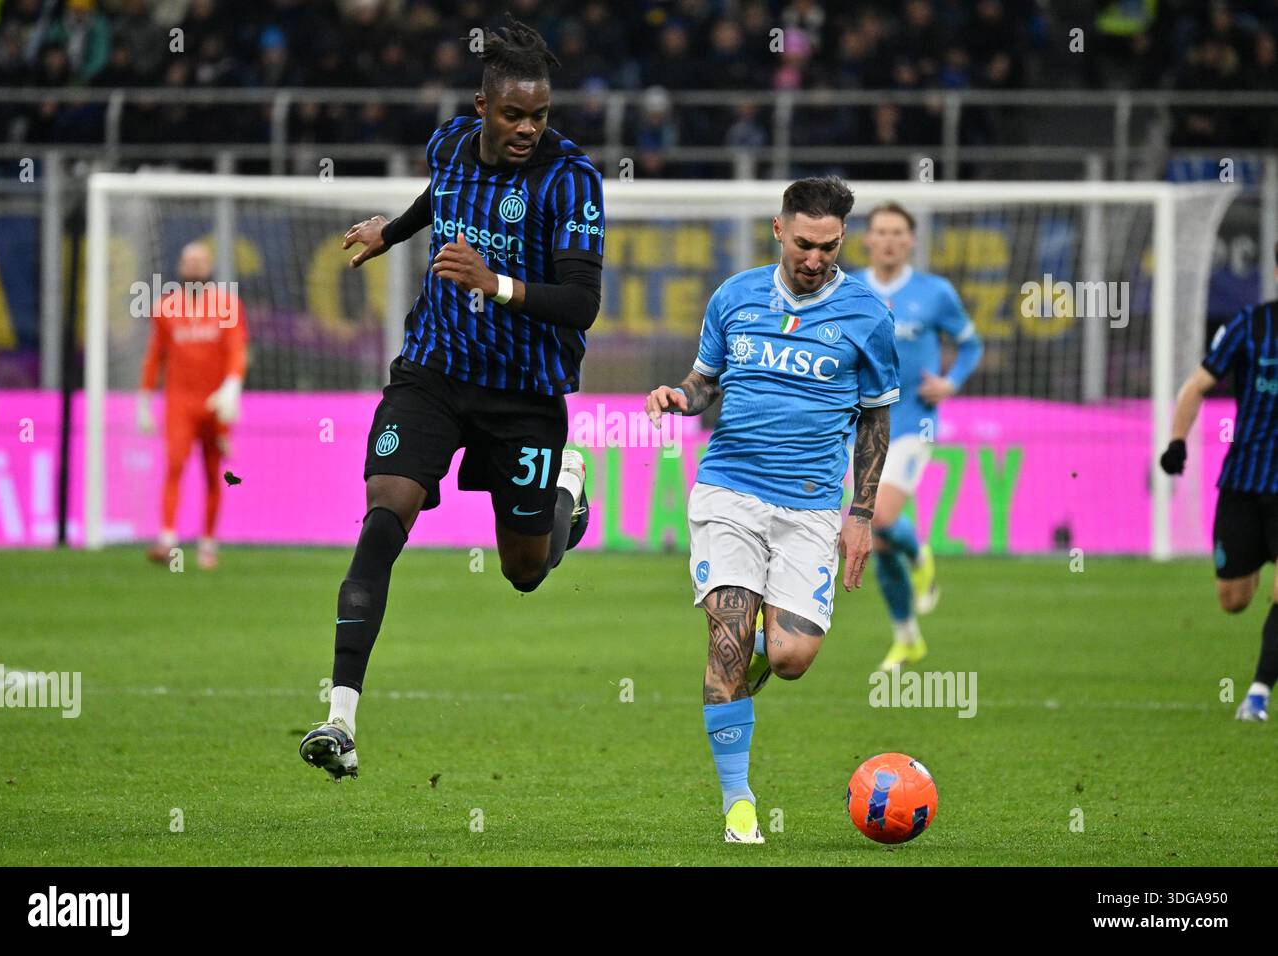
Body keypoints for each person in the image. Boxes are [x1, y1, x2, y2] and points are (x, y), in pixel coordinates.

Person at [300, 16, 603, 779]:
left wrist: (493, 283)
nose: (529, 127)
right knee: (383, 513)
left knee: (524, 570)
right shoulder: (446, 145)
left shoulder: (572, 179)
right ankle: (340, 719)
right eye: (514, 114)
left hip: (527, 394)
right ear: (482, 107)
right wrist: (390, 232)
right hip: (433, 373)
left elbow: (581, 303)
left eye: (539, 114)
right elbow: (441, 197)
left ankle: (566, 486)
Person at [646, 176, 898, 842]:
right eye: (805, 244)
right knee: (726, 642)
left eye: (830, 246)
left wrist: (862, 516)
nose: (815, 259)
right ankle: (739, 807)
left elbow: (876, 421)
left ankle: (752, 662)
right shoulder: (734, 297)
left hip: (810, 508)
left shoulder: (868, 316)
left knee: (789, 657)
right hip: (729, 491)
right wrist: (680, 395)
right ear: (779, 229)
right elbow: (706, 380)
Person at [850, 202, 982, 672]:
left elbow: (971, 343)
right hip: (858, 424)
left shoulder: (935, 293)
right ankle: (907, 637)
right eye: (880, 231)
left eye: (897, 232)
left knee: (880, 515)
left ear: (910, 240)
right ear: (867, 239)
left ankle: (920, 552)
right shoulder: (847, 290)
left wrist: (952, 381)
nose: (888, 239)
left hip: (913, 422)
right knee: (877, 538)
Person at [1160, 250, 1278, 722]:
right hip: (1245, 482)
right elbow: (1196, 387)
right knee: (1233, 600)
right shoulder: (1251, 324)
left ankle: (1257, 694)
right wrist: (1176, 442)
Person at [137, 241, 246, 571]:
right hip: (180, 401)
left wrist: (231, 387)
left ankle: (208, 543)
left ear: (209, 266)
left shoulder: (228, 305)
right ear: (181, 268)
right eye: (189, 262)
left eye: (201, 261)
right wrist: (144, 398)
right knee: (175, 464)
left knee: (215, 474)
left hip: (215, 404)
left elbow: (236, 351)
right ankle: (168, 539)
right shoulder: (165, 308)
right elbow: (155, 355)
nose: (195, 267)